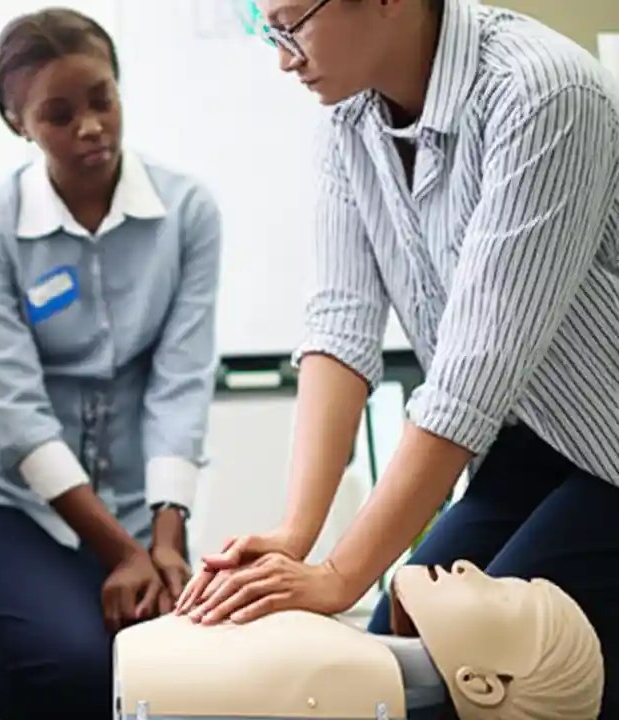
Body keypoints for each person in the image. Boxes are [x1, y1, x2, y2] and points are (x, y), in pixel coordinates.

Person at [177, 0, 619, 713]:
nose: (282, 55)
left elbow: (474, 372)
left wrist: (340, 576)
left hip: (610, 454)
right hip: (527, 446)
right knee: (380, 669)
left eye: (292, 25)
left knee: (477, 676)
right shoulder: (350, 117)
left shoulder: (544, 93)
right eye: (268, 28)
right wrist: (298, 538)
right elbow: (340, 325)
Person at [0, 7, 223, 719]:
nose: (90, 127)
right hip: (3, 508)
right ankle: (3, 633)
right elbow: (15, 412)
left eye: (103, 100)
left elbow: (181, 381)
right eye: (59, 115)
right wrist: (123, 554)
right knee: (82, 668)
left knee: (165, 663)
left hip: (136, 510)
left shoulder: (187, 211)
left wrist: (164, 541)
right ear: (17, 123)